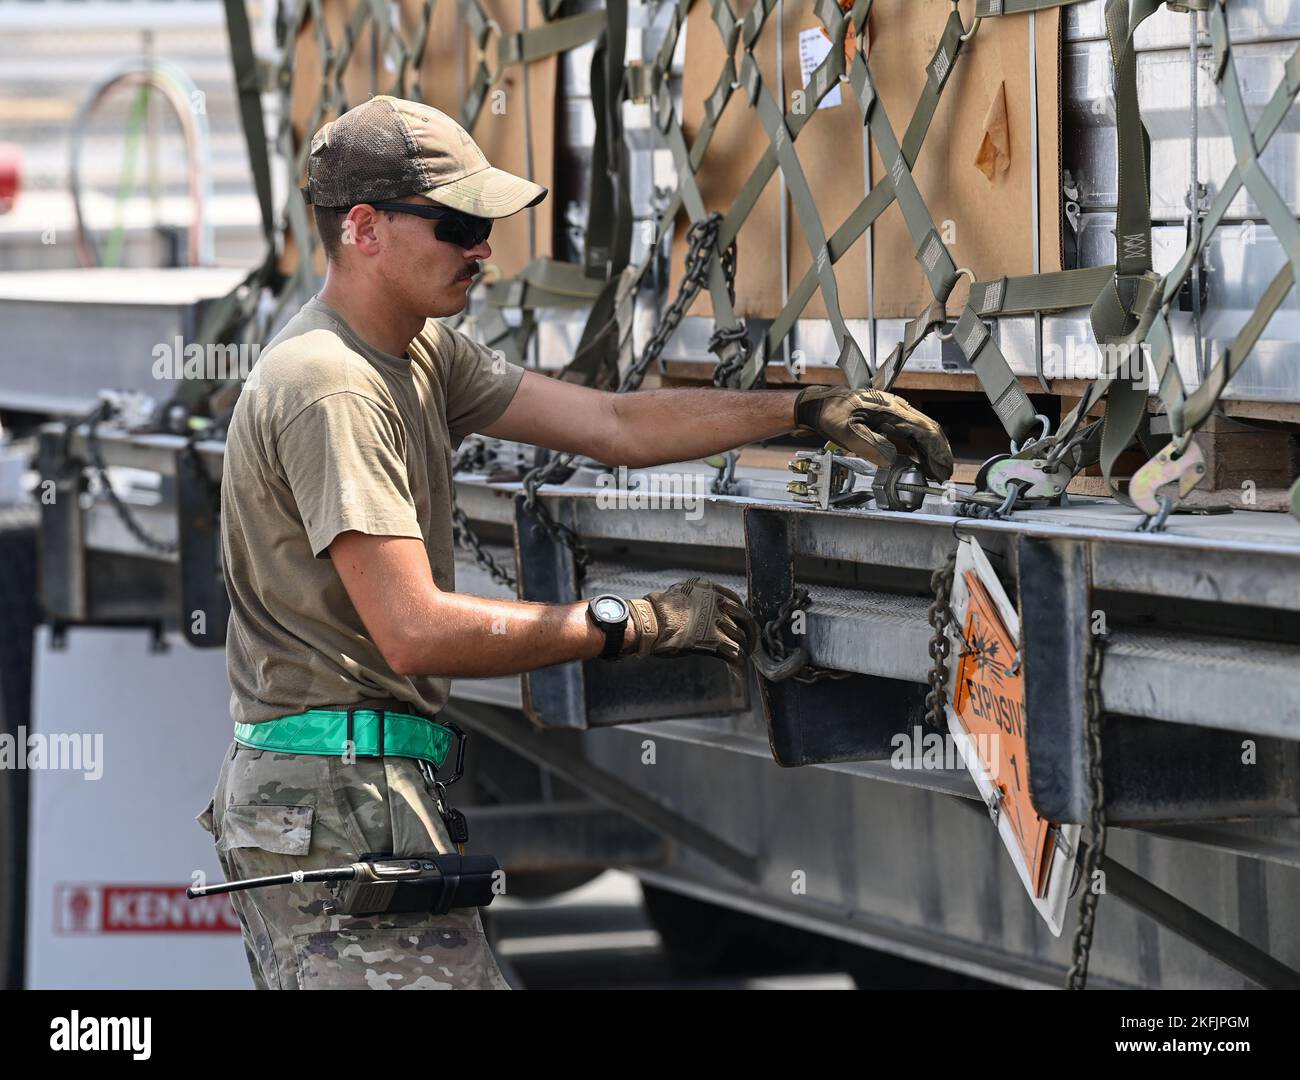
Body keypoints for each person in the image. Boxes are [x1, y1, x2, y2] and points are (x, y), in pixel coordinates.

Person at [196, 95, 953, 990]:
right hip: (332, 804)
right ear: (363, 228)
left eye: (484, 225)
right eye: (457, 224)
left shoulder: (418, 351)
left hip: (357, 794)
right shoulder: (334, 389)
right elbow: (417, 631)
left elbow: (610, 424)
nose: (482, 248)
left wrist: (803, 411)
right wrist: (628, 624)